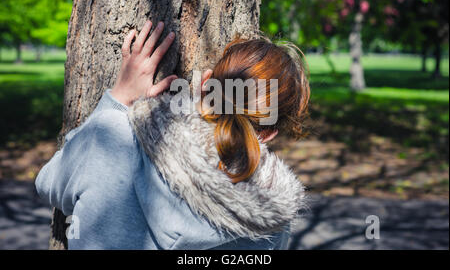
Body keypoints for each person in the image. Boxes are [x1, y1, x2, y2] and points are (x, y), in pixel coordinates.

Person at [35, 20, 310, 249]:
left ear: (205, 83)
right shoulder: (272, 221)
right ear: (271, 132)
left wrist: (116, 105)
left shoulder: (117, 139)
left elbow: (48, 183)